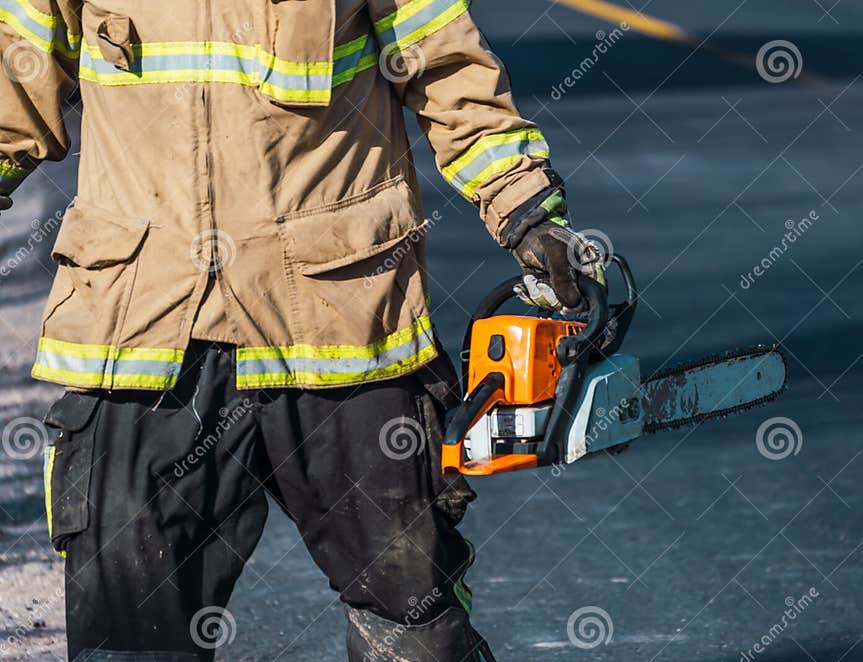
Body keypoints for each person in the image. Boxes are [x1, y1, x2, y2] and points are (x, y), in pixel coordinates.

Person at [0, 1, 599, 660]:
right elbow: (13, 81)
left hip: (340, 329)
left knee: (414, 620)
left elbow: (448, 70)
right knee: (127, 634)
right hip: (141, 334)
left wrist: (526, 212)